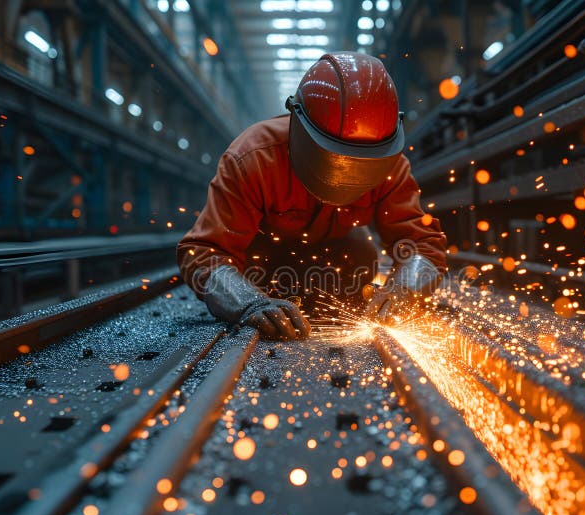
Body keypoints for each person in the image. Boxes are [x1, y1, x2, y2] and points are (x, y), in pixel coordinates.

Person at [177, 52, 447, 340]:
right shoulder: (252, 159)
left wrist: (406, 290)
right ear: (299, 125)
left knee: (361, 252)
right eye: (335, 159)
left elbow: (421, 245)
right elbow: (204, 254)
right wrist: (247, 303)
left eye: (361, 166)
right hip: (265, 275)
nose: (345, 177)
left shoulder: (390, 166)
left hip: (338, 271)